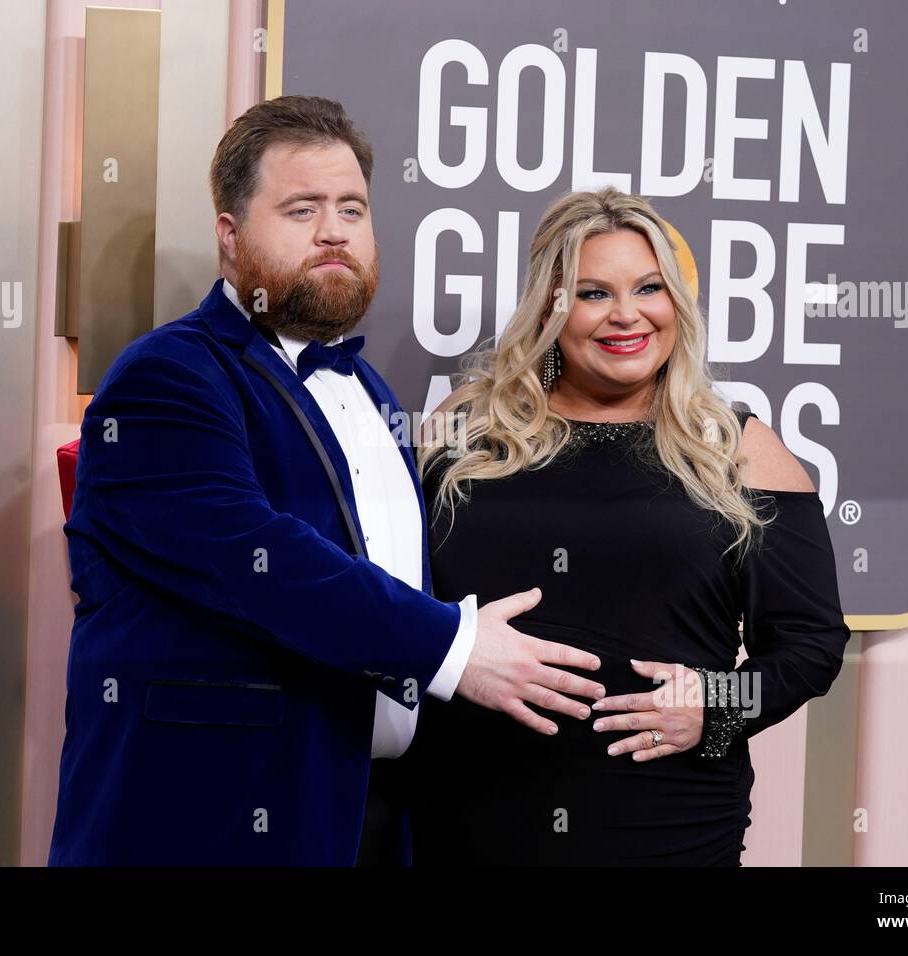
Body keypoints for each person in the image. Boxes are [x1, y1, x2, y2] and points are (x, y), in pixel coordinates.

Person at [47, 96, 605, 866]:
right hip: (209, 821)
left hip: (361, 816)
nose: (334, 230)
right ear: (229, 234)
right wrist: (453, 646)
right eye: (301, 208)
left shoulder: (371, 392)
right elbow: (259, 561)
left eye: (352, 208)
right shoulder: (166, 378)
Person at [406, 187, 852, 866]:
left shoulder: (738, 447)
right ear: (550, 309)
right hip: (463, 825)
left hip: (668, 831)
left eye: (649, 287)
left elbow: (812, 642)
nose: (626, 315)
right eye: (592, 293)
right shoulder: (461, 436)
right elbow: (389, 603)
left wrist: (720, 707)